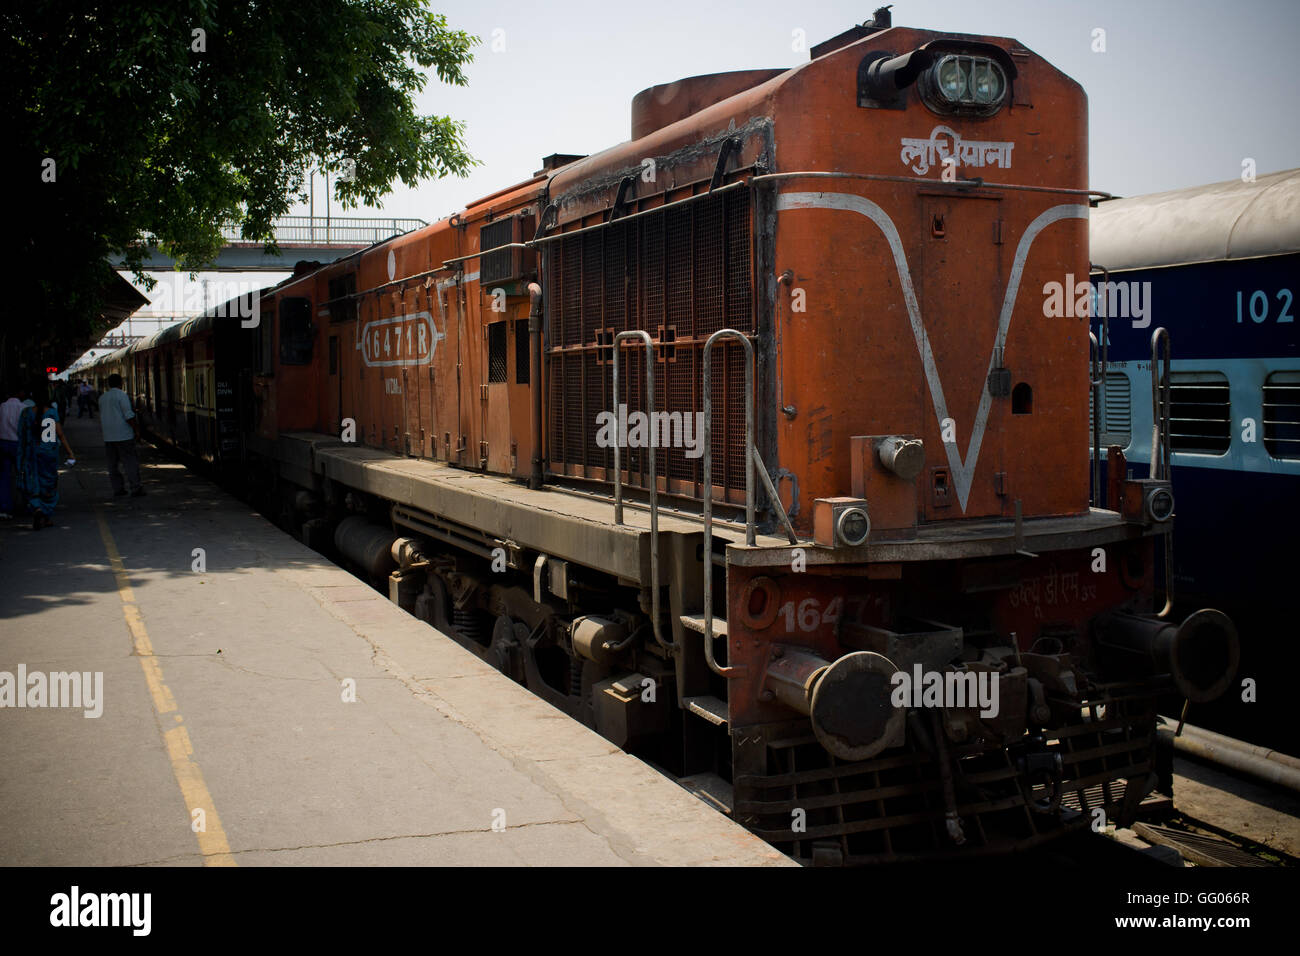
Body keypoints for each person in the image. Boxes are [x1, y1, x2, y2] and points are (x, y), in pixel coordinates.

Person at [17, 380, 75, 530]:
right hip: (49, 454)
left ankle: (37, 509)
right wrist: (70, 452)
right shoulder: (52, 412)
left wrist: (21, 456)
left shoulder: (26, 413)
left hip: (32, 453)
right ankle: (47, 514)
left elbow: (21, 436)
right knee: (49, 485)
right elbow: (60, 434)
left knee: (32, 482)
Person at [100, 373, 144, 497]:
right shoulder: (122, 396)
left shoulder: (102, 398)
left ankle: (118, 488)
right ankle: (136, 487)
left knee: (112, 465)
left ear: (108, 384)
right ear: (121, 383)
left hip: (108, 437)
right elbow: (128, 416)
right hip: (124, 435)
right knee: (130, 462)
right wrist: (136, 430)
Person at [0, 384, 24, 519]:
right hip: (18, 444)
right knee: (23, 474)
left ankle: (5, 507)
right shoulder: (23, 408)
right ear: (20, 393)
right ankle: (25, 504)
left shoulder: (2, 407)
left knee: (4, 477)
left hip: (2, 443)